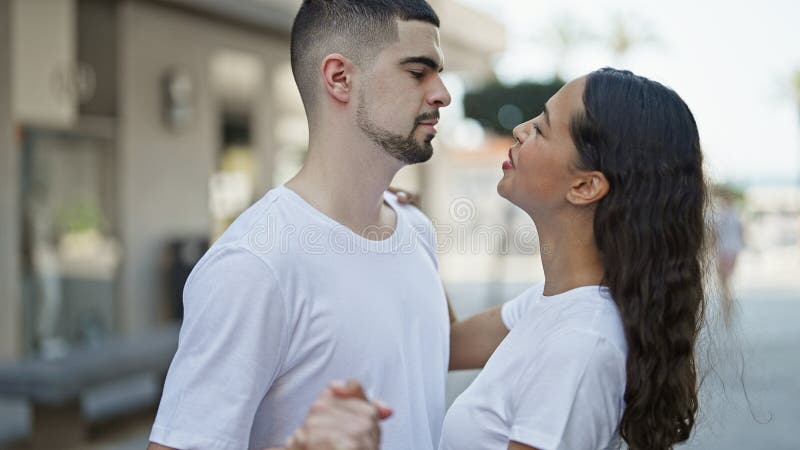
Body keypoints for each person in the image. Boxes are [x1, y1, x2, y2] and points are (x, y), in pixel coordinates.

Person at [296, 68, 709, 450]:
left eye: (542, 129)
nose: (519, 129)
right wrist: (407, 229)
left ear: (585, 186)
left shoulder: (580, 347)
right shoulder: (551, 306)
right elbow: (447, 343)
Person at [147, 1, 453, 449]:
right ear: (339, 78)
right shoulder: (254, 264)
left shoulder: (415, 229)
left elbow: (444, 346)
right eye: (418, 72)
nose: (443, 93)